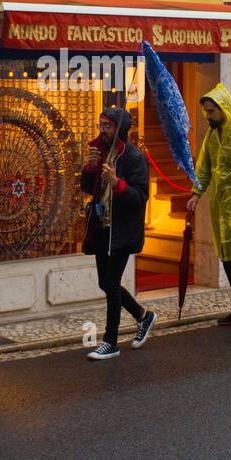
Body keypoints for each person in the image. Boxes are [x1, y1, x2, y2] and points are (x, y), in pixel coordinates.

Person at [81, 107, 156, 360]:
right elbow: (86, 188)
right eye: (101, 124)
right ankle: (144, 316)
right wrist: (90, 169)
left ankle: (110, 341)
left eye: (108, 126)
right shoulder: (101, 153)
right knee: (105, 282)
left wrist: (118, 183)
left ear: (119, 129)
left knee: (111, 283)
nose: (102, 130)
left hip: (122, 231)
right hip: (101, 227)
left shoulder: (134, 158)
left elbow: (140, 197)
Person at [187, 84, 231, 325]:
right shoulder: (212, 135)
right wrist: (196, 193)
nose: (207, 115)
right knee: (225, 253)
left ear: (223, 109)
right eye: (205, 111)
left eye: (211, 111)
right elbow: (204, 166)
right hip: (218, 201)